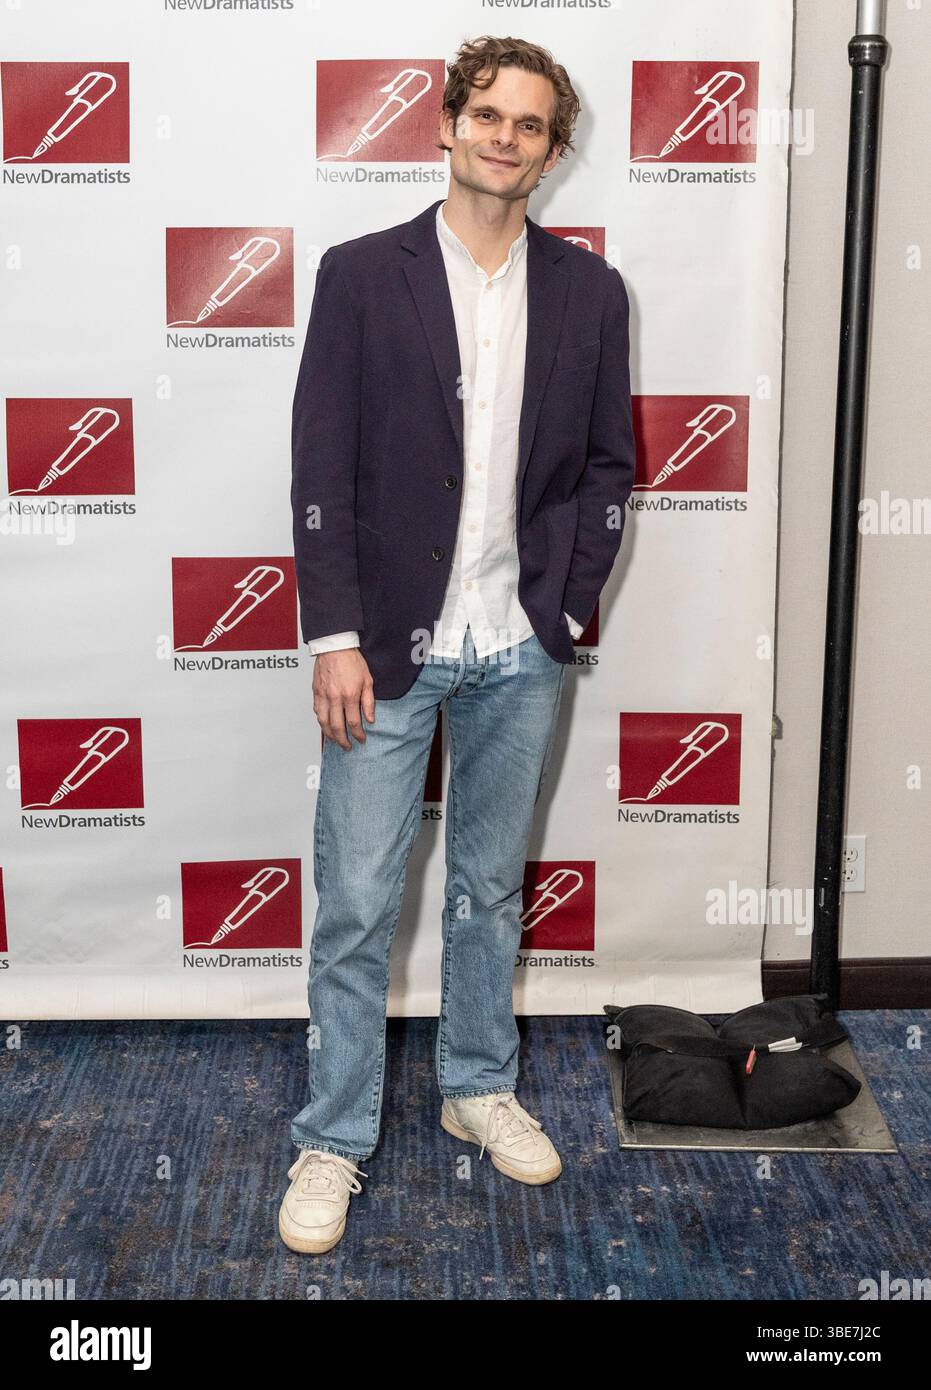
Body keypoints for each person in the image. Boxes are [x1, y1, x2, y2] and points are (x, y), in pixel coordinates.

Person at [281, 33, 635, 1254]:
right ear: (444, 124)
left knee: (489, 888)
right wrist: (331, 633)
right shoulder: (359, 274)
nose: (504, 136)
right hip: (380, 645)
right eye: (486, 113)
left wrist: (569, 607)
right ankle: (331, 1137)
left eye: (530, 124)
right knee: (358, 900)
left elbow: (605, 470)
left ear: (550, 151)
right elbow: (320, 465)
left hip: (519, 647)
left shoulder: (590, 293)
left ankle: (477, 1082)